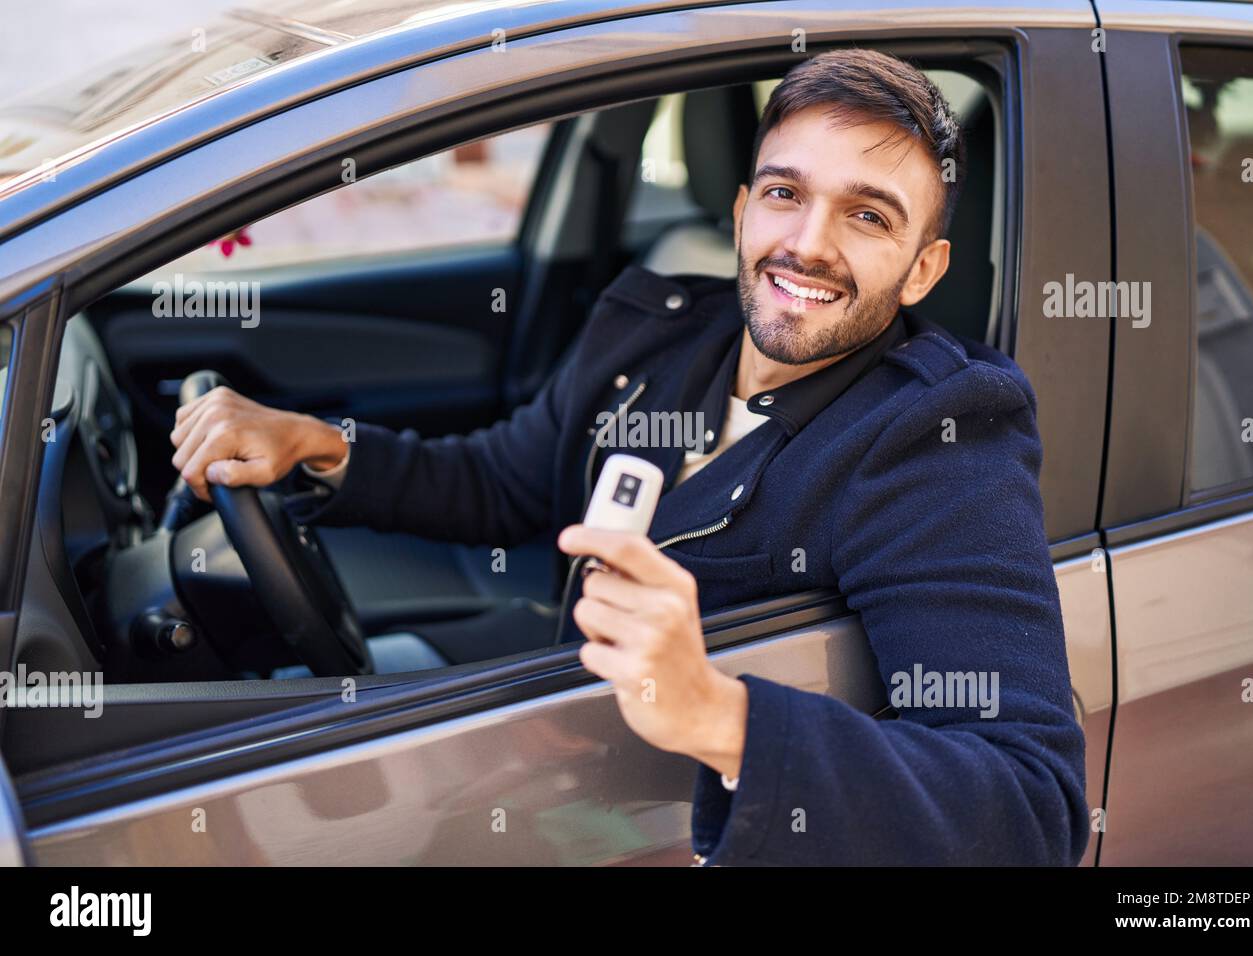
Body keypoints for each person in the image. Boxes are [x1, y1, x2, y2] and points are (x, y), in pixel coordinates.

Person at [170, 48, 1089, 866]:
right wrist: (317, 444)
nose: (807, 243)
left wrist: (717, 715)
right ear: (741, 208)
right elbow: (502, 483)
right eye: (785, 193)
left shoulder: (935, 440)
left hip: (659, 819)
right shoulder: (654, 334)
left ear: (924, 269)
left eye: (868, 216)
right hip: (552, 754)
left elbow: (1027, 807)